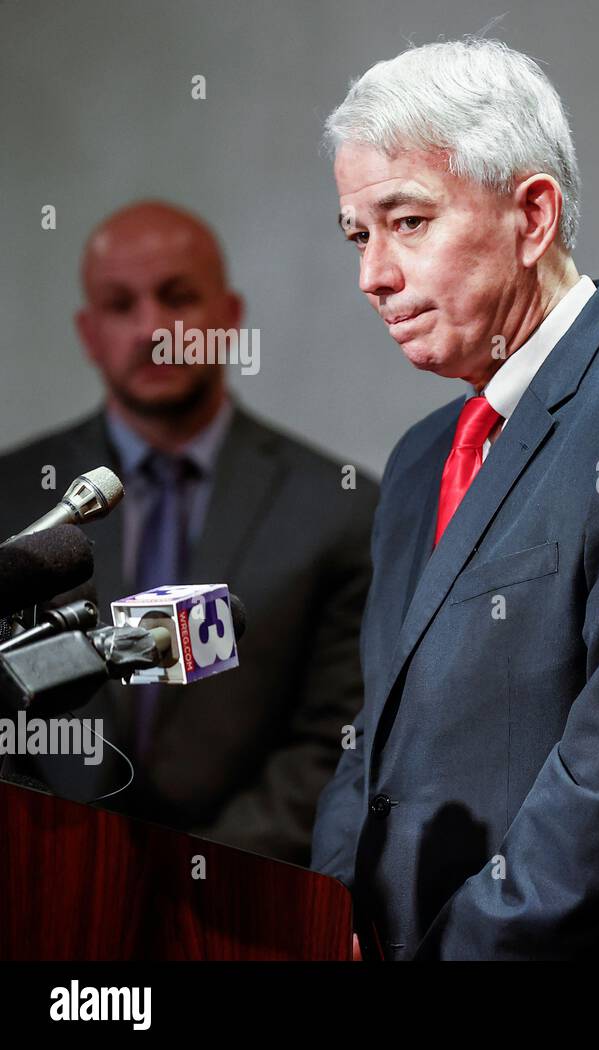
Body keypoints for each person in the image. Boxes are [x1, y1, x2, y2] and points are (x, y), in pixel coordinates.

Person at [308, 37, 599, 960]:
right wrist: (330, 926)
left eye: (407, 222)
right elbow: (371, 746)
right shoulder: (420, 461)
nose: (372, 274)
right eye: (358, 235)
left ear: (533, 217)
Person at [0, 201, 378, 865]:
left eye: (177, 298)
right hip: (40, 885)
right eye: (120, 305)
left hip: (244, 903)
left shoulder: (340, 508)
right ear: (89, 334)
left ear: (230, 318)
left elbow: (336, 739)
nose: (152, 329)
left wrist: (195, 876)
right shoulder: (13, 495)